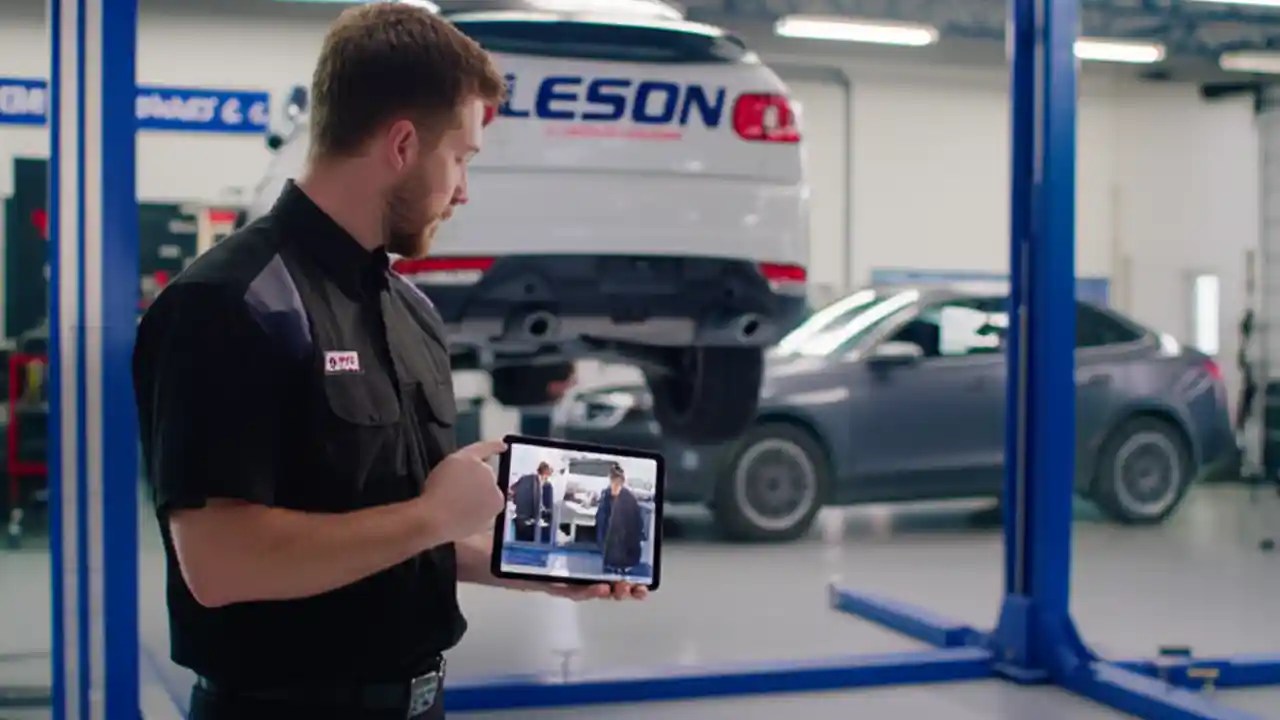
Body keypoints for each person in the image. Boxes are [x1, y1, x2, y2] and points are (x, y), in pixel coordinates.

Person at [130, 6, 645, 720]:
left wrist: (538, 567)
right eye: (461, 156)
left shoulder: (413, 315)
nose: (464, 188)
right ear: (403, 143)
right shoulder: (232, 302)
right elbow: (221, 564)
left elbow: (397, 532)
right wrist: (433, 516)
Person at [595, 466, 645, 577]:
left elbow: (635, 520)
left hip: (624, 540)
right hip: (610, 540)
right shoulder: (607, 495)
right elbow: (601, 517)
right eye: (613, 481)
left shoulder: (628, 499)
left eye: (617, 482)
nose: (615, 484)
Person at [510, 461, 556, 543]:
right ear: (545, 474)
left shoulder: (524, 478)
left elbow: (512, 491)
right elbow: (536, 504)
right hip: (527, 522)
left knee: (519, 544)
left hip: (519, 520)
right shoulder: (537, 484)